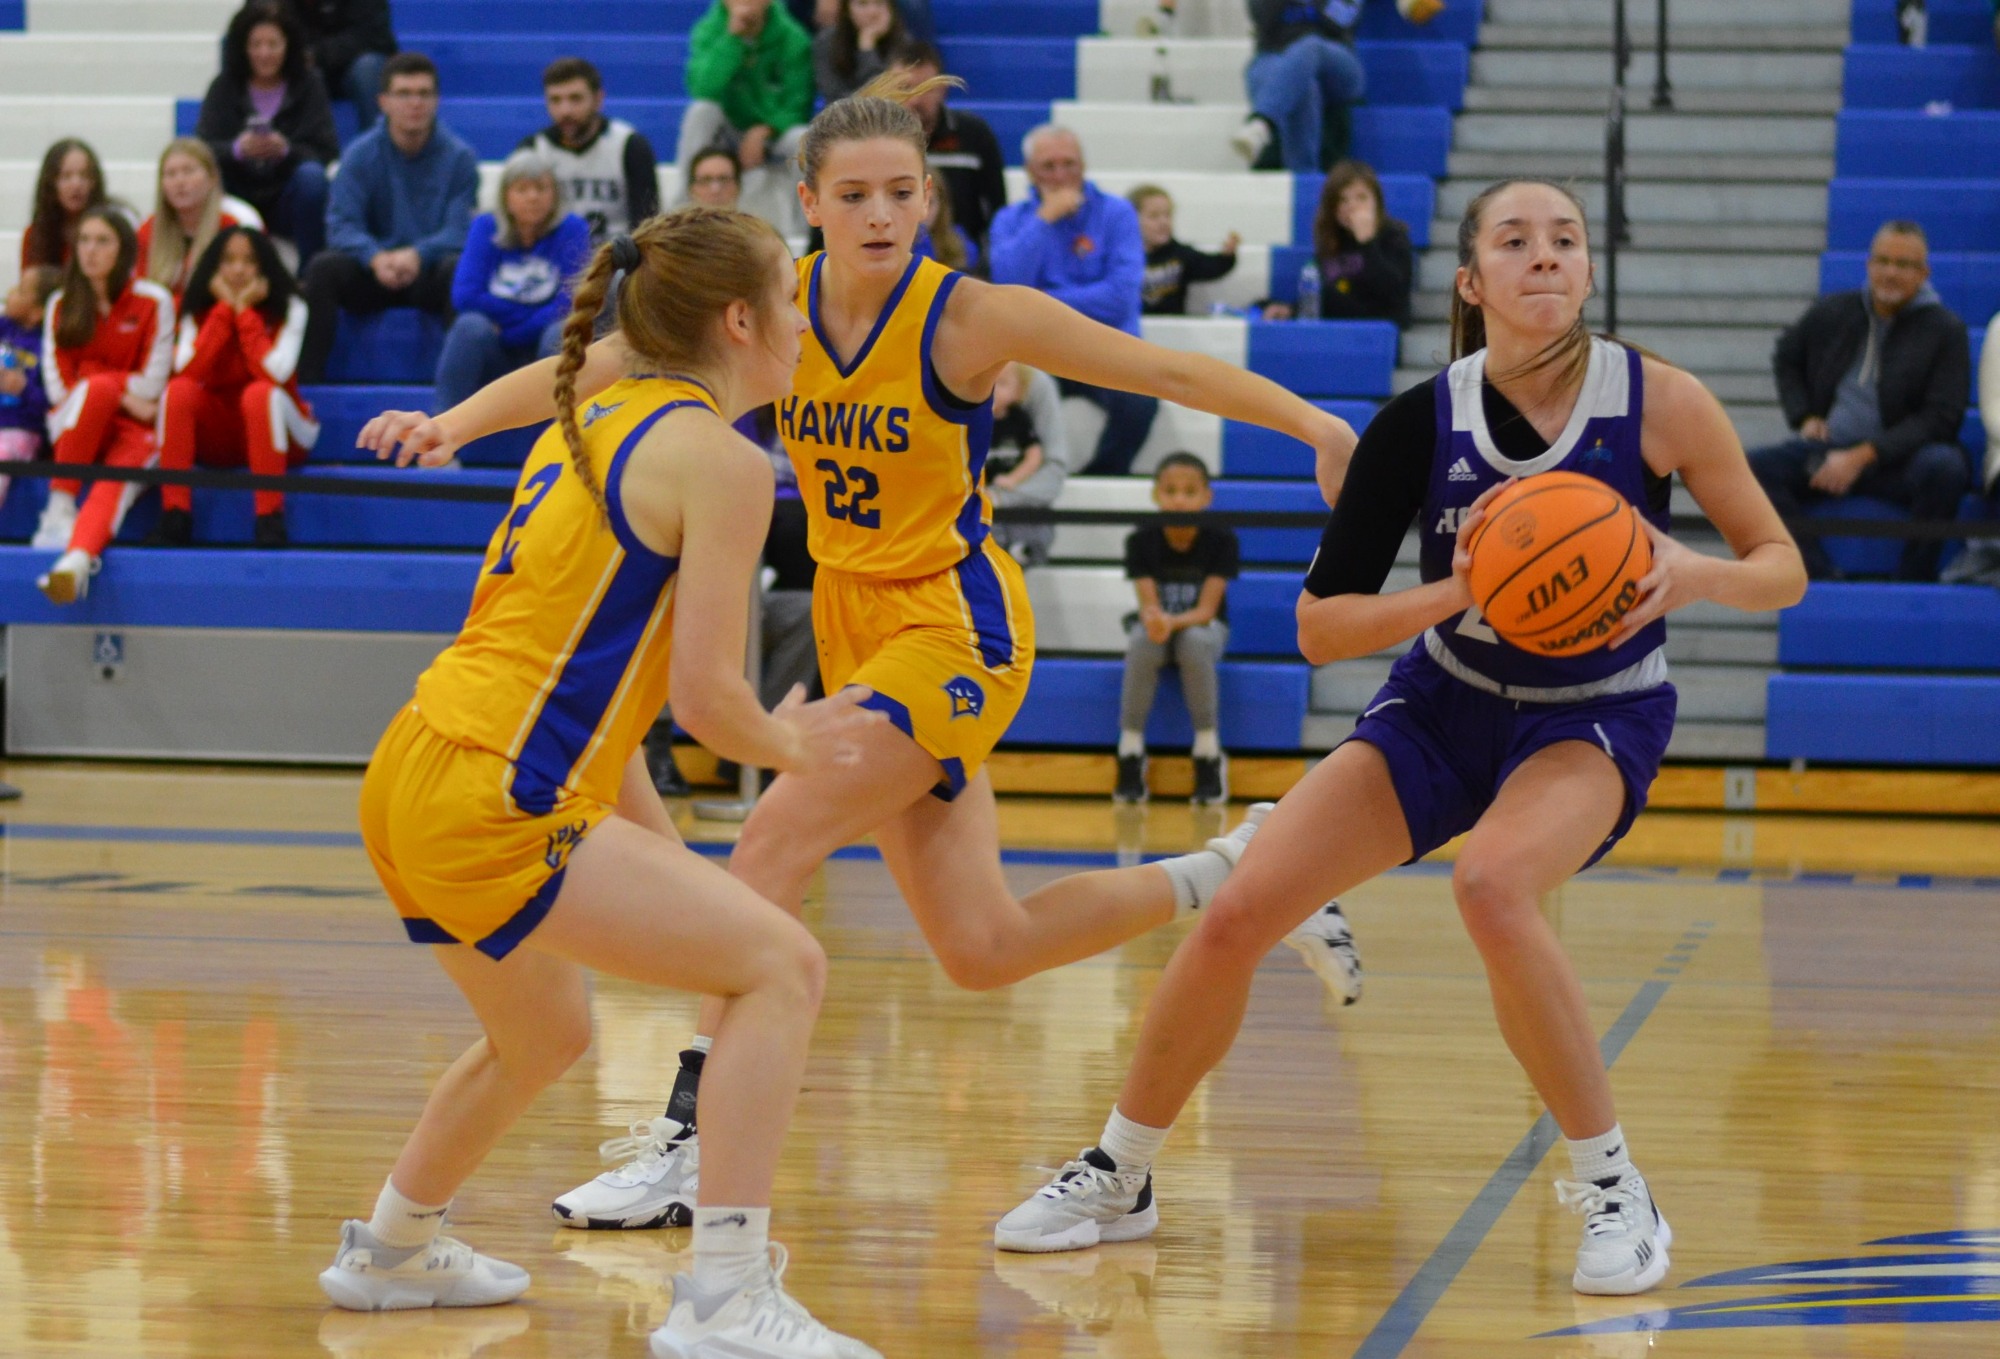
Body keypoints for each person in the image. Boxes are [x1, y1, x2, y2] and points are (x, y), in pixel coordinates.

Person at [357, 72, 1361, 1239]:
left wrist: (1314, 423)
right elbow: (600, 364)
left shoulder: (967, 316)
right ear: (811, 202)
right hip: (849, 625)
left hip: (952, 628)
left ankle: (686, 1143)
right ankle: (1241, 870)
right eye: (855, 194)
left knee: (774, 835)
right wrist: (453, 423)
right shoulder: (766, 305)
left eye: (900, 192)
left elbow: (1158, 371)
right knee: (983, 946)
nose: (880, 214)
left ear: (928, 199)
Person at [996, 179, 1809, 1300]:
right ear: (1471, 285)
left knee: (1492, 887)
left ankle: (1615, 1185)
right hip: (1444, 696)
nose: (1544, 258)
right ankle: (1122, 1172)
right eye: (1514, 242)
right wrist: (1457, 590)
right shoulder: (1417, 423)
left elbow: (1782, 568)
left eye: (1563, 241)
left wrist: (1694, 573)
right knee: (1237, 912)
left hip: (1596, 709)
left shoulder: (1659, 403)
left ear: (1585, 271)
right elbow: (1319, 629)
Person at [324, 209, 887, 1359]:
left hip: (414, 766)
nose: (803, 317)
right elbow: (708, 704)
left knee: (545, 1036)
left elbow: (609, 703)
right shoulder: (726, 463)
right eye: (790, 295)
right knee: (783, 963)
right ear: (739, 321)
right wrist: (801, 743)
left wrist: (669, 859)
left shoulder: (595, 409)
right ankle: (727, 1298)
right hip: (492, 794)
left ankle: (386, 1252)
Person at [1748, 220, 1971, 581]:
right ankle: (1815, 573)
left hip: (1900, 464)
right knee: (1752, 470)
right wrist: (1804, 415)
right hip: (1829, 452)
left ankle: (1912, 581)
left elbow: (1941, 419)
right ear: (1868, 265)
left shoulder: (1946, 330)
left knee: (1946, 467)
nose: (1890, 273)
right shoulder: (1835, 311)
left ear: (1923, 273)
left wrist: (1862, 455)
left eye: (1903, 265)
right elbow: (1786, 355)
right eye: (1882, 261)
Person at [299, 53, 479, 384]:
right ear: (383, 102)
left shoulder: (460, 158)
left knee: (459, 269)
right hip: (372, 271)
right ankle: (307, 386)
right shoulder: (359, 154)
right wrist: (375, 257)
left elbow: (459, 231)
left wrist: (416, 255)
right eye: (404, 93)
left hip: (428, 272)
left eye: (424, 93)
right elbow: (341, 225)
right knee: (322, 269)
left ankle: (459, 388)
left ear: (436, 100)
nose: (415, 103)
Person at [990, 126, 1156, 475]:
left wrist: (1040, 302)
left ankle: (1101, 475)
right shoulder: (1012, 220)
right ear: (1030, 172)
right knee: (992, 397)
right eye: (1048, 167)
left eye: (1069, 164)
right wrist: (1044, 219)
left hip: (1107, 345)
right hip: (1038, 351)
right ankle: (1026, 474)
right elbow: (1006, 287)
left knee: (1140, 403)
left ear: (1084, 166)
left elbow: (1121, 296)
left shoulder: (1117, 213)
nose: (1061, 175)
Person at [35, 208, 175, 605]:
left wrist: (97, 376)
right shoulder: (61, 303)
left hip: (132, 429)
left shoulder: (154, 300)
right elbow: (59, 390)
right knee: (95, 391)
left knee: (116, 483)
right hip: (76, 422)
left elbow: (153, 383)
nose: (90, 251)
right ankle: (60, 506)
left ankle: (74, 563)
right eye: (84, 240)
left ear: (124, 249)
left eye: (102, 241)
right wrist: (111, 386)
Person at [151, 226, 316, 548]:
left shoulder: (293, 307)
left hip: (283, 429)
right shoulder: (193, 310)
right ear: (214, 266)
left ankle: (269, 519)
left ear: (264, 266)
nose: (238, 269)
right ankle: (175, 515)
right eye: (228, 260)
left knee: (260, 394)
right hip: (220, 431)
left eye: (249, 261)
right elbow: (188, 371)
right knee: (179, 392)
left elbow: (276, 375)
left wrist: (244, 315)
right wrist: (225, 312)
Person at [1116, 453, 1238, 806]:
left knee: (1194, 642)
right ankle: (1130, 751)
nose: (1179, 498)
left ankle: (1207, 752)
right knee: (1141, 641)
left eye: (1189, 491)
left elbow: (1205, 611)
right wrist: (1155, 620)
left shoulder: (1221, 539)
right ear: (1157, 495)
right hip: (1162, 628)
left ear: (1206, 496)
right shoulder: (1141, 538)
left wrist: (1168, 622)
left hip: (1206, 628)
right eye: (1170, 490)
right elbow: (1148, 603)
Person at [434, 150, 591, 413]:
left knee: (560, 331)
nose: (533, 197)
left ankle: (563, 435)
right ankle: (439, 435)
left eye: (541, 188)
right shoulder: (486, 227)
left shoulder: (573, 229)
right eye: (522, 189)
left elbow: (571, 302)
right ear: (505, 197)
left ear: (555, 195)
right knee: (469, 326)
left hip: (540, 342)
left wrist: (512, 331)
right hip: (495, 350)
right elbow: (465, 295)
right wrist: (530, 318)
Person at [195, 0, 339, 267]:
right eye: (256, 45)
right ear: (243, 48)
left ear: (289, 46)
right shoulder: (223, 86)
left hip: (287, 196)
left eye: (273, 44)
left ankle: (311, 270)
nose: (265, 53)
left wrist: (285, 151)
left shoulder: (310, 85)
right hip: (236, 192)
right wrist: (238, 150)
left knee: (312, 178)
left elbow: (326, 151)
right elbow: (202, 150)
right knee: (203, 176)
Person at [517, 57, 662, 245]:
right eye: (555, 100)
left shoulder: (629, 146)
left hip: (617, 260)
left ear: (598, 99)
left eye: (575, 99)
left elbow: (647, 226)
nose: (565, 110)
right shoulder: (533, 149)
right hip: (551, 264)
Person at [887, 41, 1007, 265]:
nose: (915, 99)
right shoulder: (871, 142)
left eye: (926, 89)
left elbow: (997, 214)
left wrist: (982, 271)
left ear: (943, 89)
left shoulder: (974, 135)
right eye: (905, 88)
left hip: (961, 263)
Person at [678, 0, 815, 187]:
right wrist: (732, 40)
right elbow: (703, 89)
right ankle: (684, 204)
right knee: (701, 111)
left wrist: (766, 130)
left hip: (775, 134)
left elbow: (799, 104)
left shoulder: (793, 38)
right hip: (727, 129)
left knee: (802, 138)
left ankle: (807, 214)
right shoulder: (708, 31)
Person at [1263, 160, 1413, 326]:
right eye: (1343, 200)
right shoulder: (1332, 241)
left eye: (1361, 198)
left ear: (1376, 202)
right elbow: (1324, 298)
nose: (1352, 206)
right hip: (1336, 335)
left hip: (1378, 336)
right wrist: (1291, 310)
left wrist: (1367, 242)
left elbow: (1394, 295)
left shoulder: (1393, 237)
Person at [1233, 0, 1367, 175]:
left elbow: (1343, 19)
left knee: (1309, 46)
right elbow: (1262, 17)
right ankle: (1304, 177)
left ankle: (1262, 122)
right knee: (1304, 86)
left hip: (1335, 61)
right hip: (1274, 55)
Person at [137, 138, 265, 301]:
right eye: (171, 174)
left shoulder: (239, 221)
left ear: (212, 177)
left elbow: (255, 285)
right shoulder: (148, 229)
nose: (180, 182)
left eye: (189, 171)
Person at [985, 362, 1067, 566]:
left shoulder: (1024, 409)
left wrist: (1001, 495)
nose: (993, 390)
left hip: (1014, 506)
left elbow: (1051, 469)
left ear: (1019, 391)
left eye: (1002, 383)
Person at [0, 267, 60, 508]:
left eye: (21, 290)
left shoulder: (47, 347)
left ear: (37, 312)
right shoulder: (5, 328)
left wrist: (24, 388)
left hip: (22, 431)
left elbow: (49, 405)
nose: (11, 293)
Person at [1130, 184, 1238, 317]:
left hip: (1173, 328)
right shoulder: (1122, 256)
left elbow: (1211, 267)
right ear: (1131, 219)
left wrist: (1226, 256)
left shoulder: (1180, 254)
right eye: (1154, 216)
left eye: (1167, 215)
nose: (1163, 222)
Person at [292, 0, 398, 133]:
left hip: (353, 67)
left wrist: (316, 54)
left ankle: (379, 146)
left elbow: (372, 37)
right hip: (305, 68)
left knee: (368, 69)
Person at [22, 139, 112, 271]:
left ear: (94, 182)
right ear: (51, 183)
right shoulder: (34, 235)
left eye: (84, 176)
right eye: (66, 176)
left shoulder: (111, 230)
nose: (76, 185)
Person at [813, 0, 904, 101]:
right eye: (862, 4)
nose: (872, 12)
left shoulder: (902, 43)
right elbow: (834, 97)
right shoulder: (826, 42)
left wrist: (867, 46)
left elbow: (887, 95)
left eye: (879, 3)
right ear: (847, 10)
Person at [915, 172, 975, 272]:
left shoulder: (961, 244)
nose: (923, 212)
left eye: (930, 203)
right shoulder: (889, 247)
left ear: (942, 205)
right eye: (917, 202)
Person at [682, 144, 743, 209]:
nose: (715, 190)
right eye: (705, 180)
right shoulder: (673, 218)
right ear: (691, 190)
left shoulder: (753, 218)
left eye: (724, 180)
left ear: (738, 187)